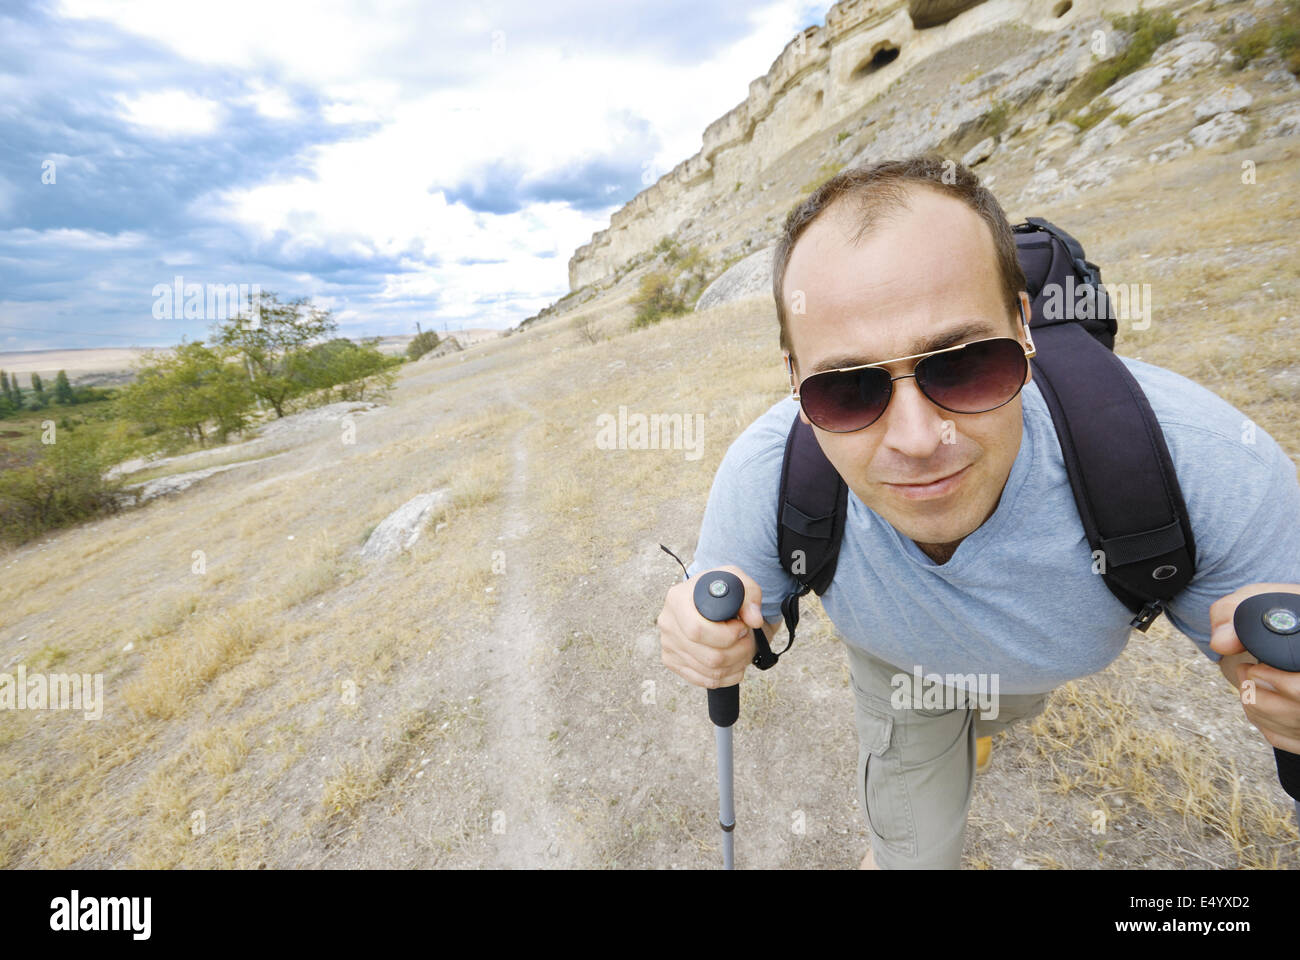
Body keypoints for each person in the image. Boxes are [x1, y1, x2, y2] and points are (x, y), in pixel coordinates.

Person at [655, 154, 1300, 869]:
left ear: (1024, 327)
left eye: (962, 363)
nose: (918, 440)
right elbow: (719, 604)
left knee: (1002, 705)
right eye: (847, 388)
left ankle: (984, 726)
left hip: (1027, 674)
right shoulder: (767, 470)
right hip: (903, 674)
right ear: (793, 378)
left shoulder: (1204, 464)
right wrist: (702, 634)